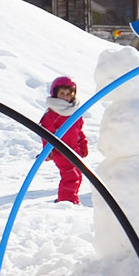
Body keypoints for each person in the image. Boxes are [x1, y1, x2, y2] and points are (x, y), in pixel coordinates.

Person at [38, 75, 92, 204]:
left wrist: (83, 145)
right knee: (70, 176)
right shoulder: (53, 114)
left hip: (74, 150)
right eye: (62, 93)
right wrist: (48, 150)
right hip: (60, 151)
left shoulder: (74, 112)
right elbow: (46, 134)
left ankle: (68, 198)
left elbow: (79, 131)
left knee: (78, 175)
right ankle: (67, 201)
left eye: (69, 94)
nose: (65, 96)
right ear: (55, 94)